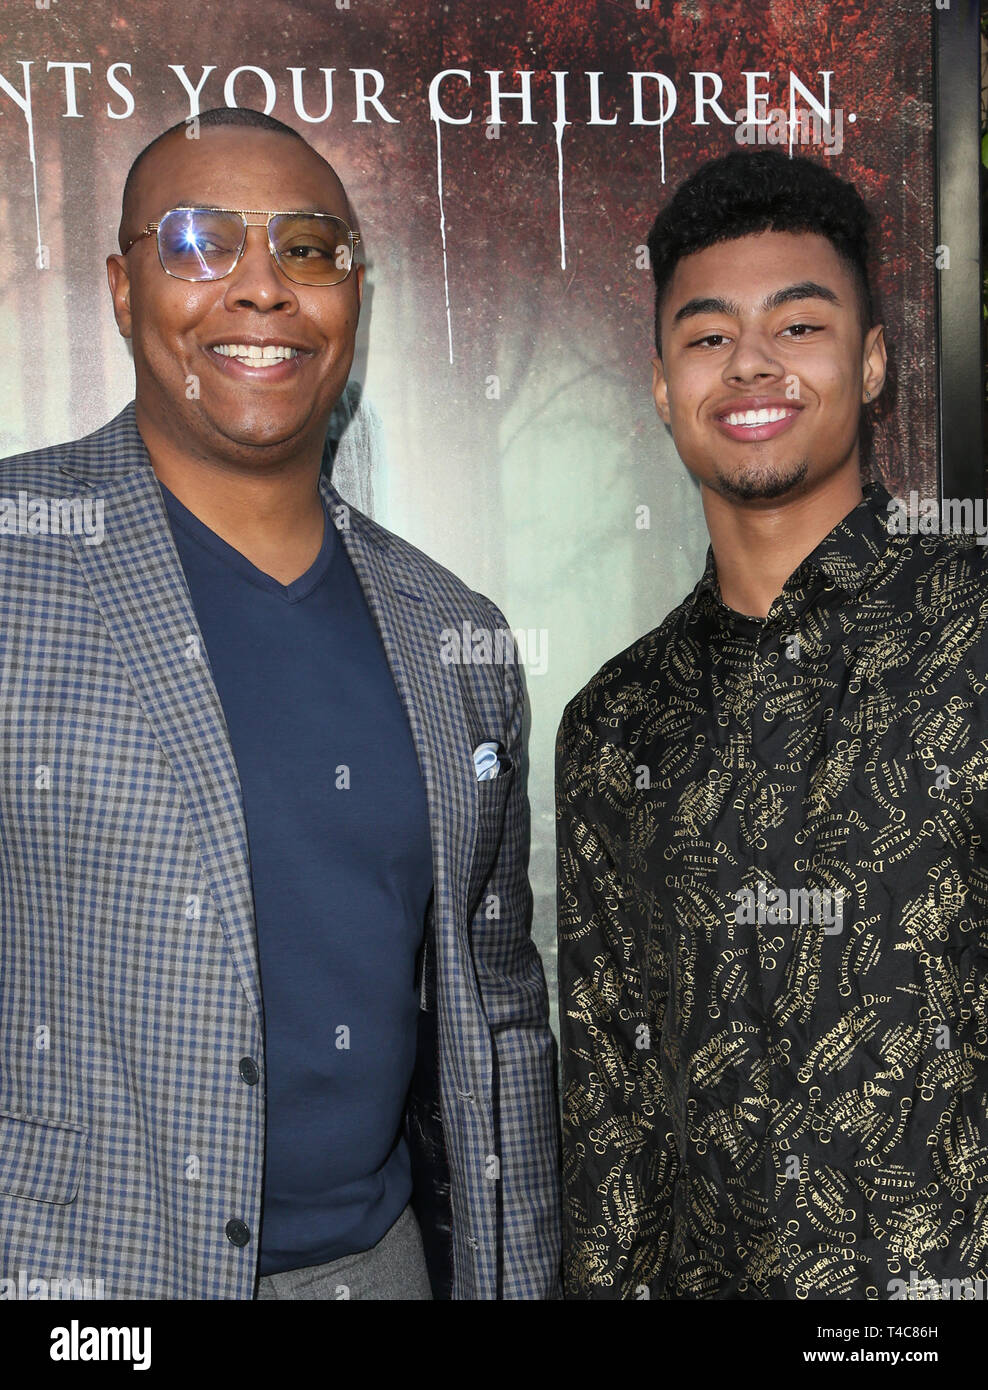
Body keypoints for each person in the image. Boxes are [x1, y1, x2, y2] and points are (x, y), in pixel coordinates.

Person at [0, 106, 560, 1301]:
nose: (262, 288)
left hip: (379, 1270)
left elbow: (499, 1007)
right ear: (120, 286)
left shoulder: (453, 631)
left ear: (354, 294)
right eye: (201, 242)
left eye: (308, 247)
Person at [556, 147, 988, 1300]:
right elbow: (614, 1109)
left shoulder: (973, 630)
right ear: (662, 384)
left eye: (798, 325)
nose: (750, 361)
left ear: (874, 358)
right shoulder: (615, 723)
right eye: (706, 336)